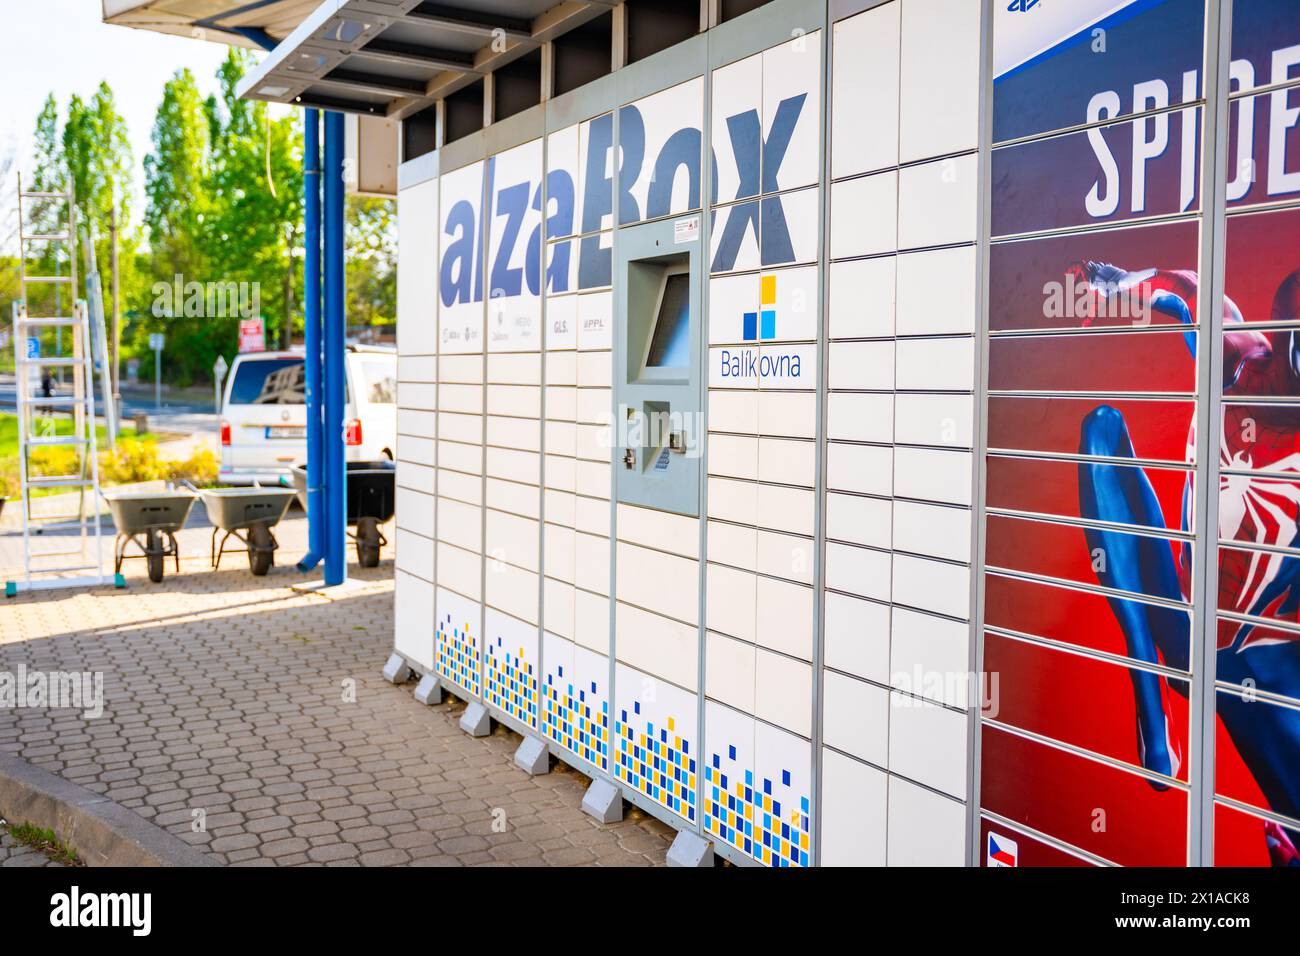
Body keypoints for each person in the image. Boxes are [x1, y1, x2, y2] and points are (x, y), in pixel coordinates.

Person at [1073, 261, 1300, 866]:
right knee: (1101, 431)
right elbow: (1188, 288)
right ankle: (1151, 694)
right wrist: (1120, 284)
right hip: (1188, 630)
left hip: (1259, 659)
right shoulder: (1242, 356)